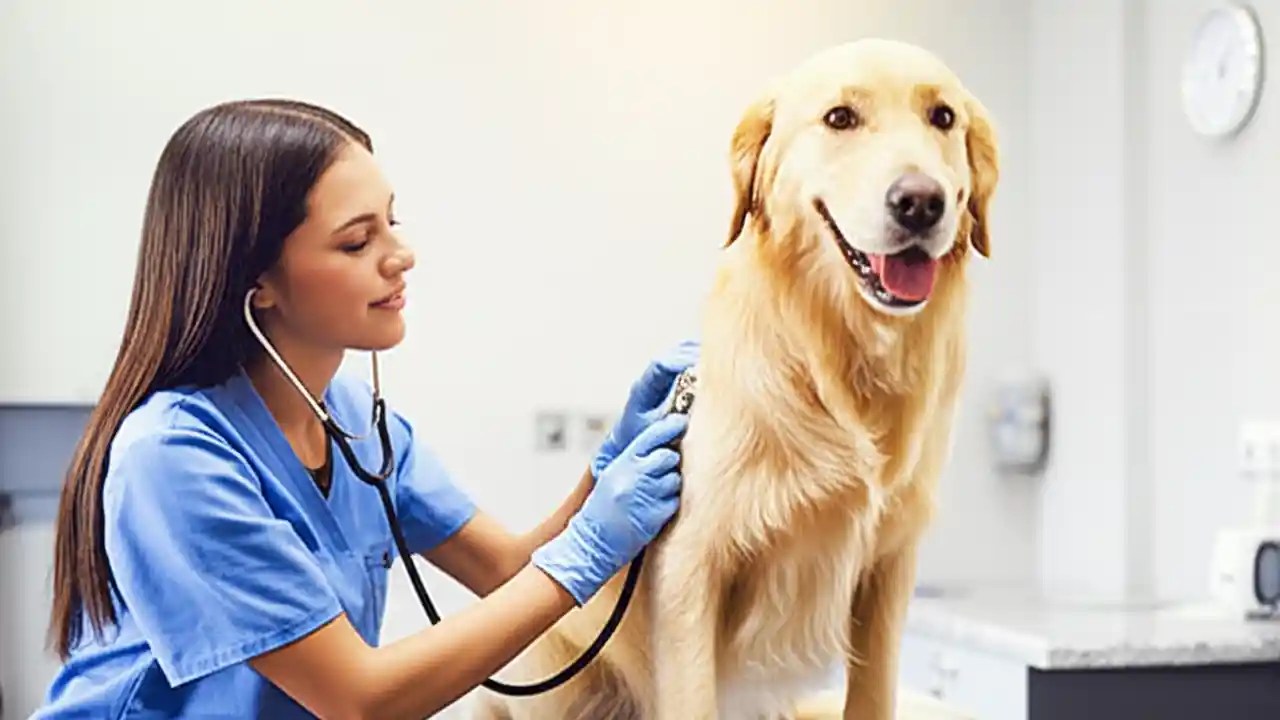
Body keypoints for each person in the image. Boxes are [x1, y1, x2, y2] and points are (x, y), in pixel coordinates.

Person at [33, 98, 699, 719]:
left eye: (392, 222)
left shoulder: (353, 418)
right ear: (256, 281)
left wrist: (609, 462)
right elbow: (358, 700)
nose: (401, 256)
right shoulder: (174, 457)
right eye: (357, 241)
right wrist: (587, 550)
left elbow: (508, 571)